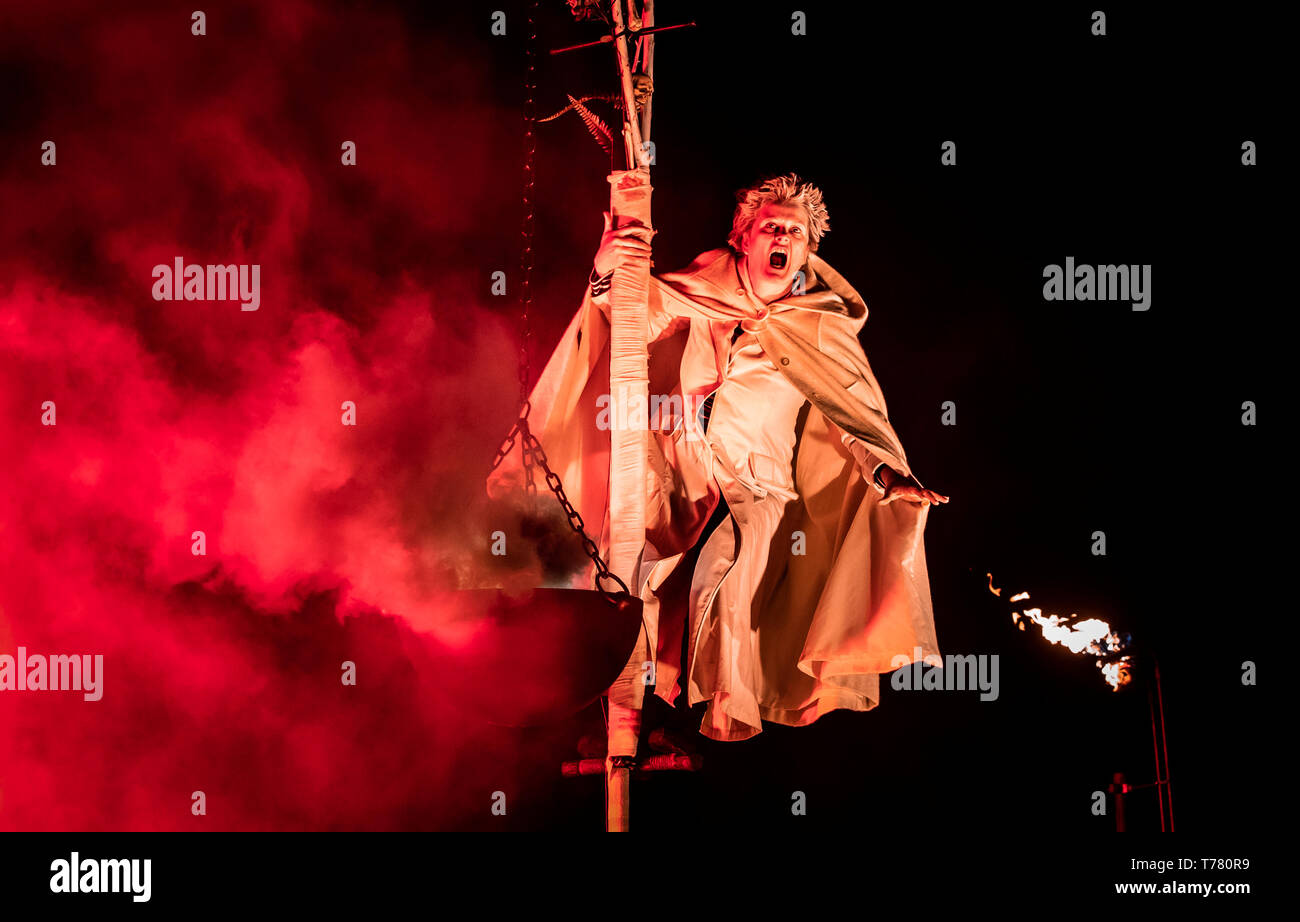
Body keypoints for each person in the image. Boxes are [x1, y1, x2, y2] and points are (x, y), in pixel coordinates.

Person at [488, 172, 947, 762]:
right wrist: (609, 272)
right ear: (745, 239)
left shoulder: (820, 323)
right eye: (770, 228)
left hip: (759, 488)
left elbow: (853, 414)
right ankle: (623, 720)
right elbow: (631, 317)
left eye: (795, 233)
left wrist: (887, 474)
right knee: (632, 579)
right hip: (682, 471)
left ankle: (685, 715)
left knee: (721, 586)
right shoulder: (707, 288)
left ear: (807, 250)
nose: (782, 238)